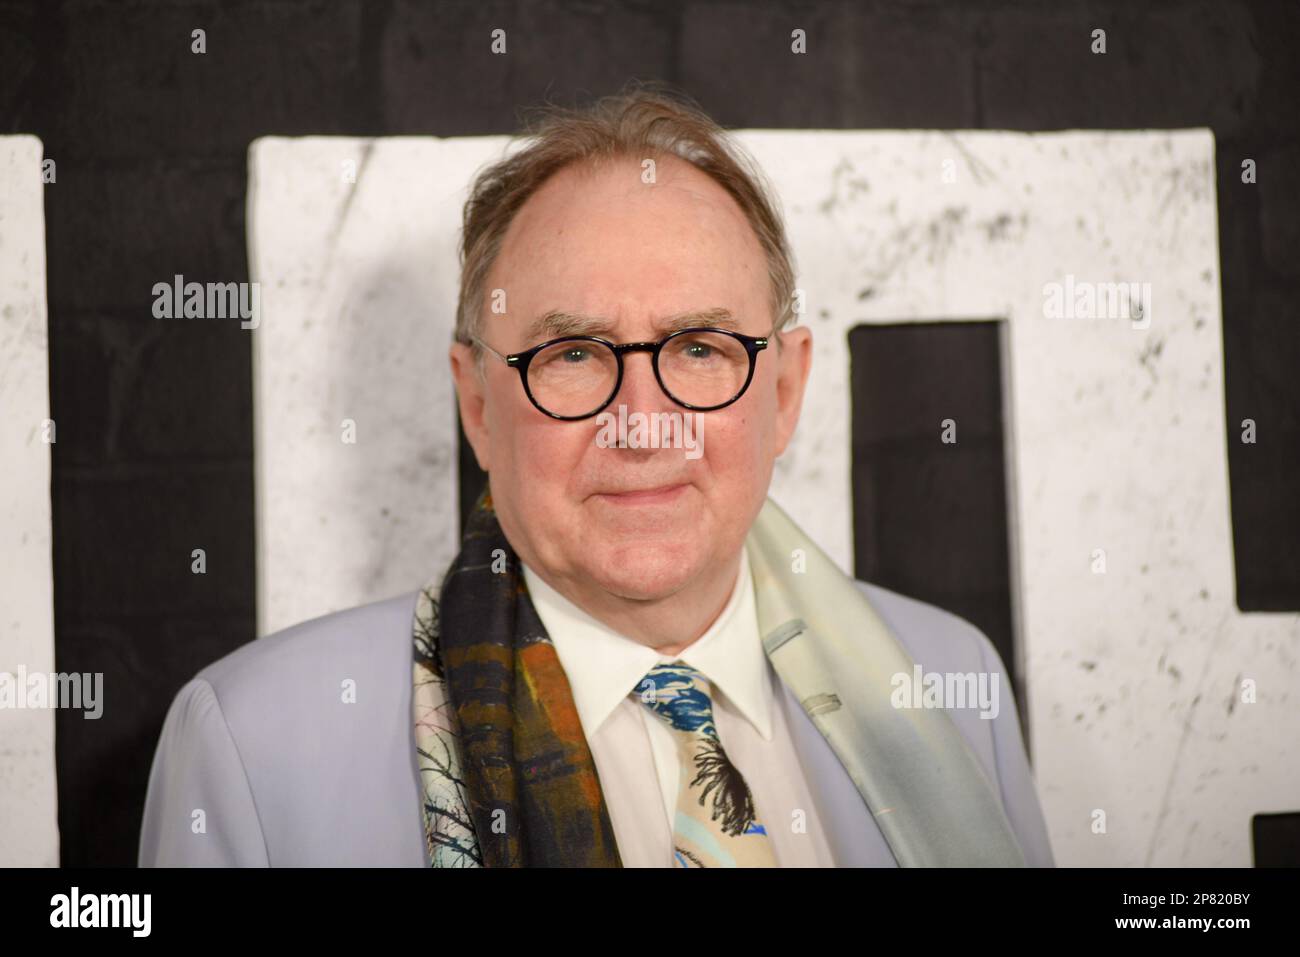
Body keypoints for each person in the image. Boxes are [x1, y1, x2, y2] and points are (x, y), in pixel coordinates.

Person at [139, 84, 1054, 868]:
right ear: (477, 403)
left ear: (785, 390)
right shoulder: (257, 749)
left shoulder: (947, 681)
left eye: (699, 347)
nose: (643, 421)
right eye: (574, 352)